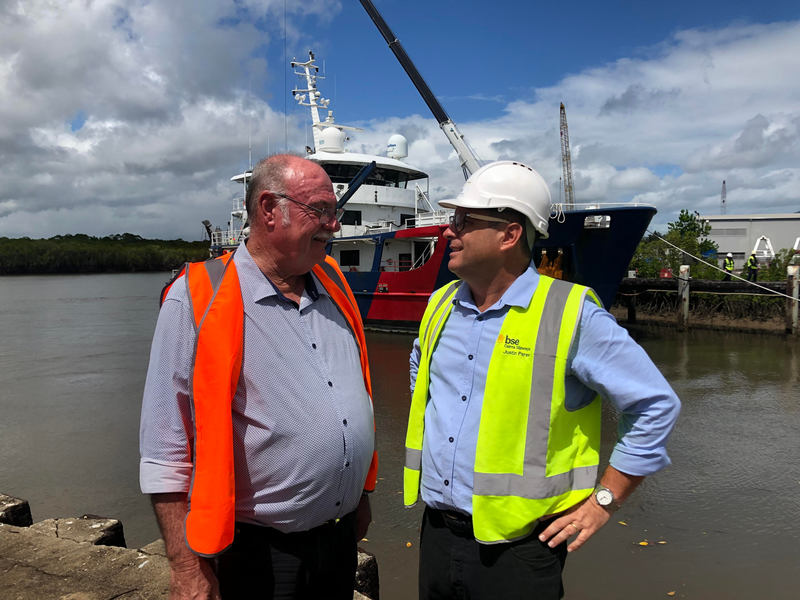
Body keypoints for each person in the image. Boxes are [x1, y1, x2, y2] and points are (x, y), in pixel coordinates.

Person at [406, 161, 681, 599]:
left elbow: (654, 404)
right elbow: (421, 377)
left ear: (509, 235)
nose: (447, 231)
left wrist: (604, 501)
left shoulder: (571, 314)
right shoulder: (439, 304)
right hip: (438, 533)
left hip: (522, 550)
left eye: (463, 220)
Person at [140, 154, 378, 600]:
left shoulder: (335, 283)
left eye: (335, 212)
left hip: (340, 540)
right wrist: (187, 566)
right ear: (270, 209)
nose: (334, 225)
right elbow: (165, 450)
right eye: (321, 211)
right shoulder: (196, 299)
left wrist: (358, 495)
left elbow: (351, 402)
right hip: (258, 554)